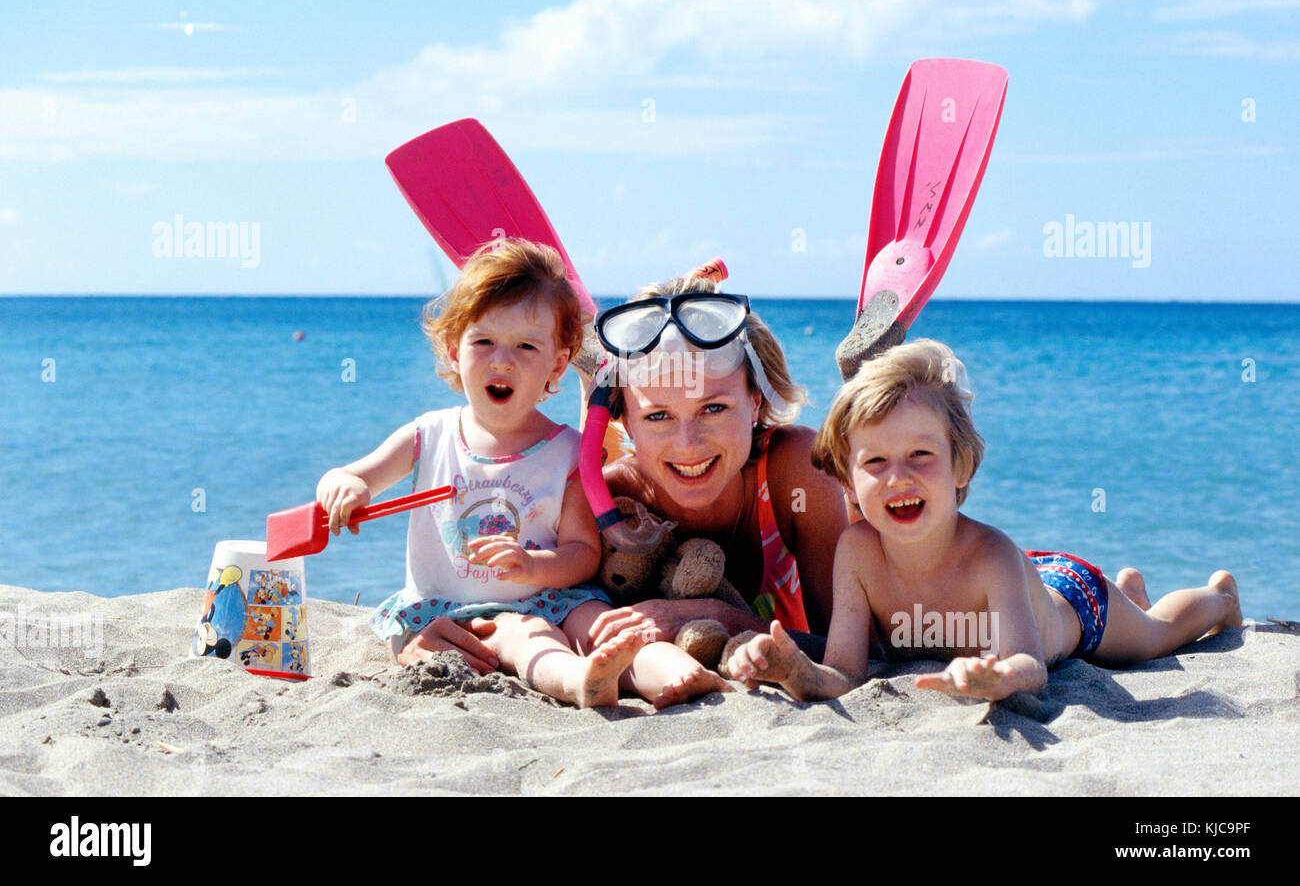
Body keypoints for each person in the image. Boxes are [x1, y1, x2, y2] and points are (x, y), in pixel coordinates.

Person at [315, 239, 727, 708]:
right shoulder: (427, 435)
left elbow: (582, 554)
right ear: (454, 350)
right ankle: (580, 682)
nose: (503, 360)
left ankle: (674, 671)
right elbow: (351, 475)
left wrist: (533, 566)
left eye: (526, 346)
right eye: (484, 341)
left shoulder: (567, 451)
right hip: (443, 609)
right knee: (526, 636)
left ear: (556, 363)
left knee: (601, 624)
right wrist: (345, 486)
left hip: (548, 593)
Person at [724, 339, 1244, 702]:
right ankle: (1132, 591)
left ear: (962, 465)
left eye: (921, 455)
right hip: (1027, 577)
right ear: (847, 479)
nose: (898, 478)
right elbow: (844, 671)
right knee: (1137, 616)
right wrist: (795, 671)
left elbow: (1031, 665)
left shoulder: (991, 554)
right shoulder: (857, 552)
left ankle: (1220, 598)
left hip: (1073, 602)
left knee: (1154, 637)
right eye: (875, 462)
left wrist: (998, 679)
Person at [588, 276, 852, 654]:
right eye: (658, 416)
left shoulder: (794, 474)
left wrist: (722, 618)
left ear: (755, 402)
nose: (688, 445)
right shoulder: (611, 504)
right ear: (625, 421)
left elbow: (852, 653)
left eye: (714, 408)